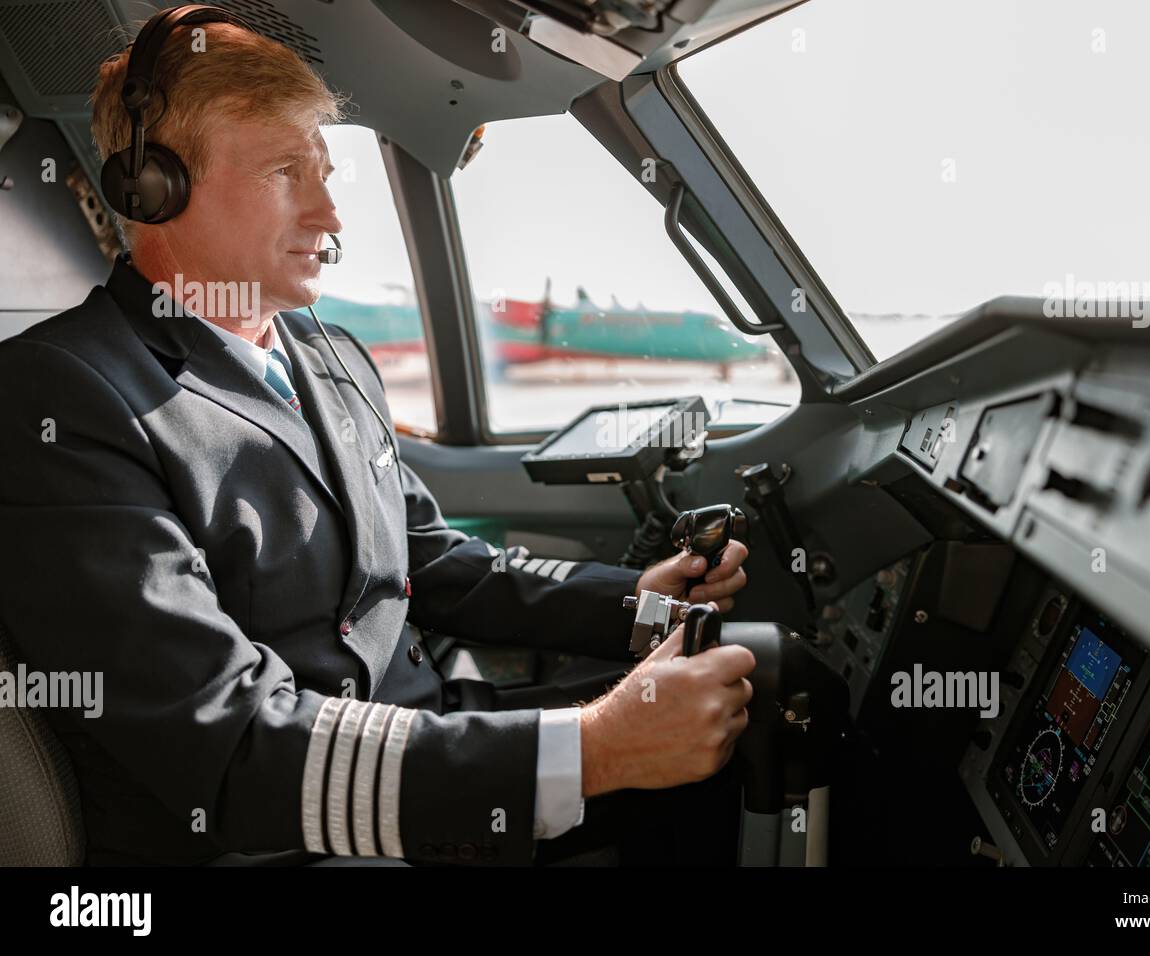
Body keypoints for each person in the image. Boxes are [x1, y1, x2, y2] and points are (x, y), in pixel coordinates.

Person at [0, 6, 754, 866]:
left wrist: (641, 607)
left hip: (420, 749)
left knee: (749, 698)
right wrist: (592, 750)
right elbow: (228, 740)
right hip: (277, 832)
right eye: (288, 172)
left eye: (325, 172)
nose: (331, 216)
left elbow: (429, 563)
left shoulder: (331, 355)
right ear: (154, 189)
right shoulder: (61, 396)